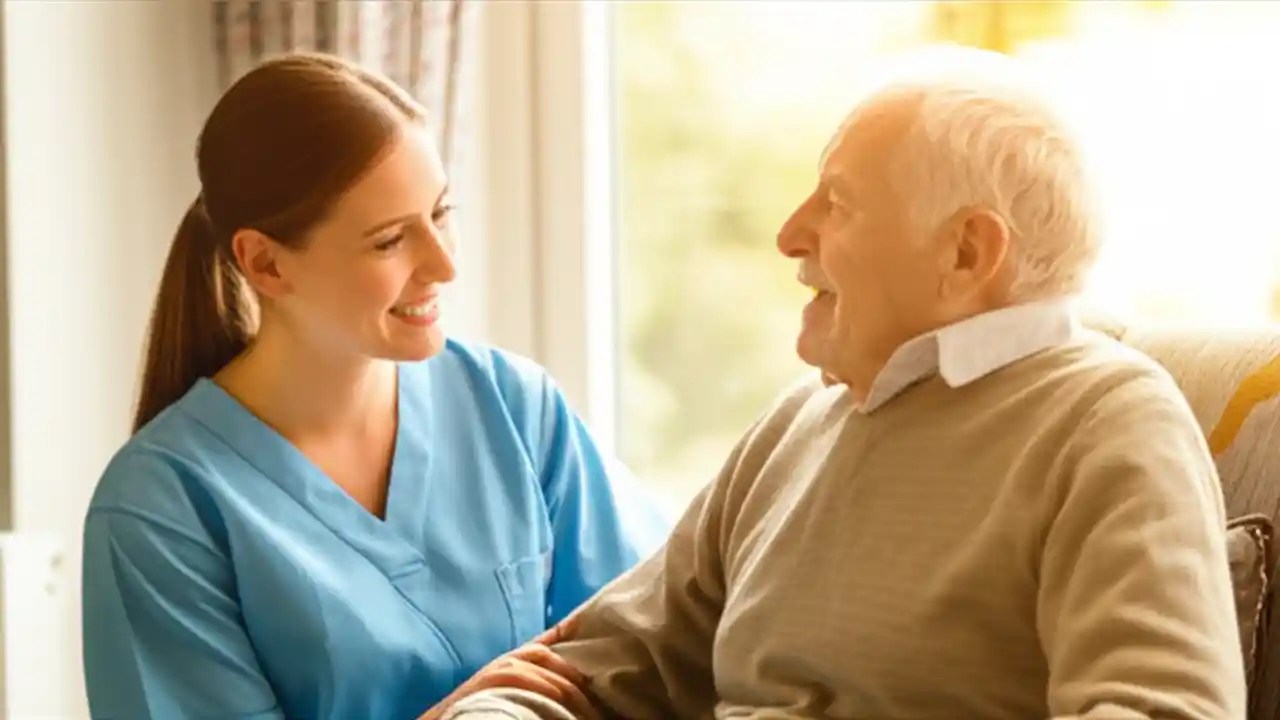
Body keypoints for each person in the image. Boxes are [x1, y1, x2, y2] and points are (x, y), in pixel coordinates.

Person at [434, 48, 1248, 720]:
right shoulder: (799, 422)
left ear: (967, 253)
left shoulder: (1107, 420)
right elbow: (604, 668)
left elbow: (1159, 709)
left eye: (840, 203)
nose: (791, 235)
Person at [80, 52, 669, 720]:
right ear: (266, 262)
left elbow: (658, 641)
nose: (443, 264)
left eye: (440, 214)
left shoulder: (514, 407)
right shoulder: (163, 507)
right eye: (390, 241)